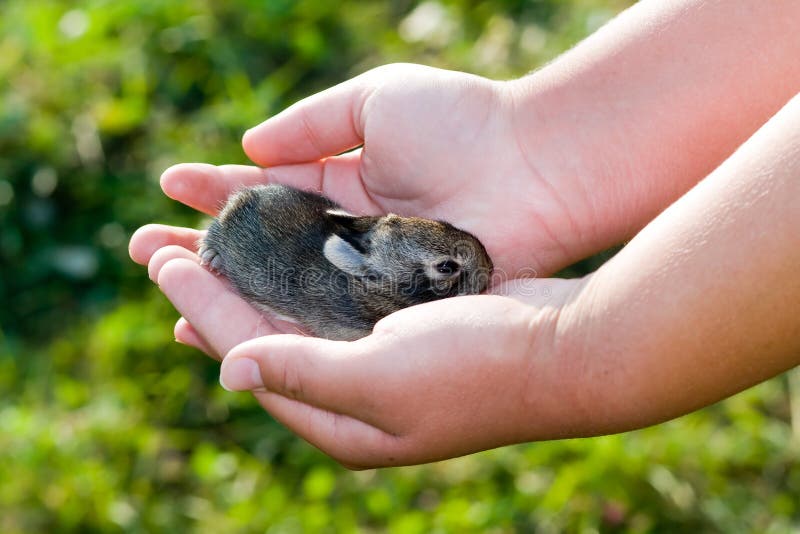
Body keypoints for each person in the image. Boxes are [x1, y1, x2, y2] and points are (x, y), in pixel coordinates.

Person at [129, 0, 800, 469]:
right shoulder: (350, 285)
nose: (478, 272)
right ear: (368, 266)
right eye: (451, 271)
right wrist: (529, 137)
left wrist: (559, 360)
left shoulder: (365, 271)